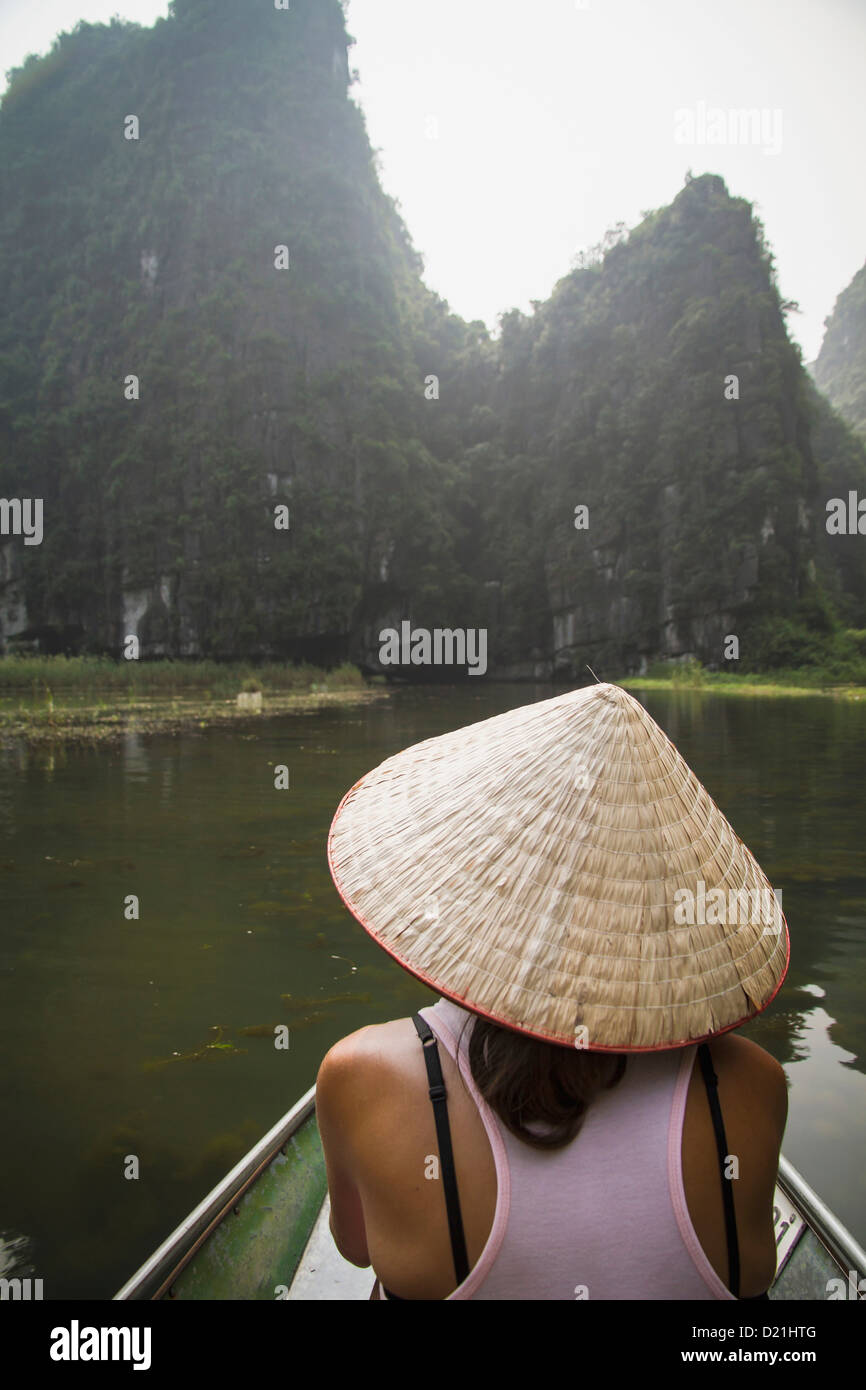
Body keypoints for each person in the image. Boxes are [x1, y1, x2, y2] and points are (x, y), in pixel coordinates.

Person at [316, 682, 790, 1300]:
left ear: (474, 871)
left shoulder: (363, 1077)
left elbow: (355, 1249)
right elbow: (755, 1278)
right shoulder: (751, 1086)